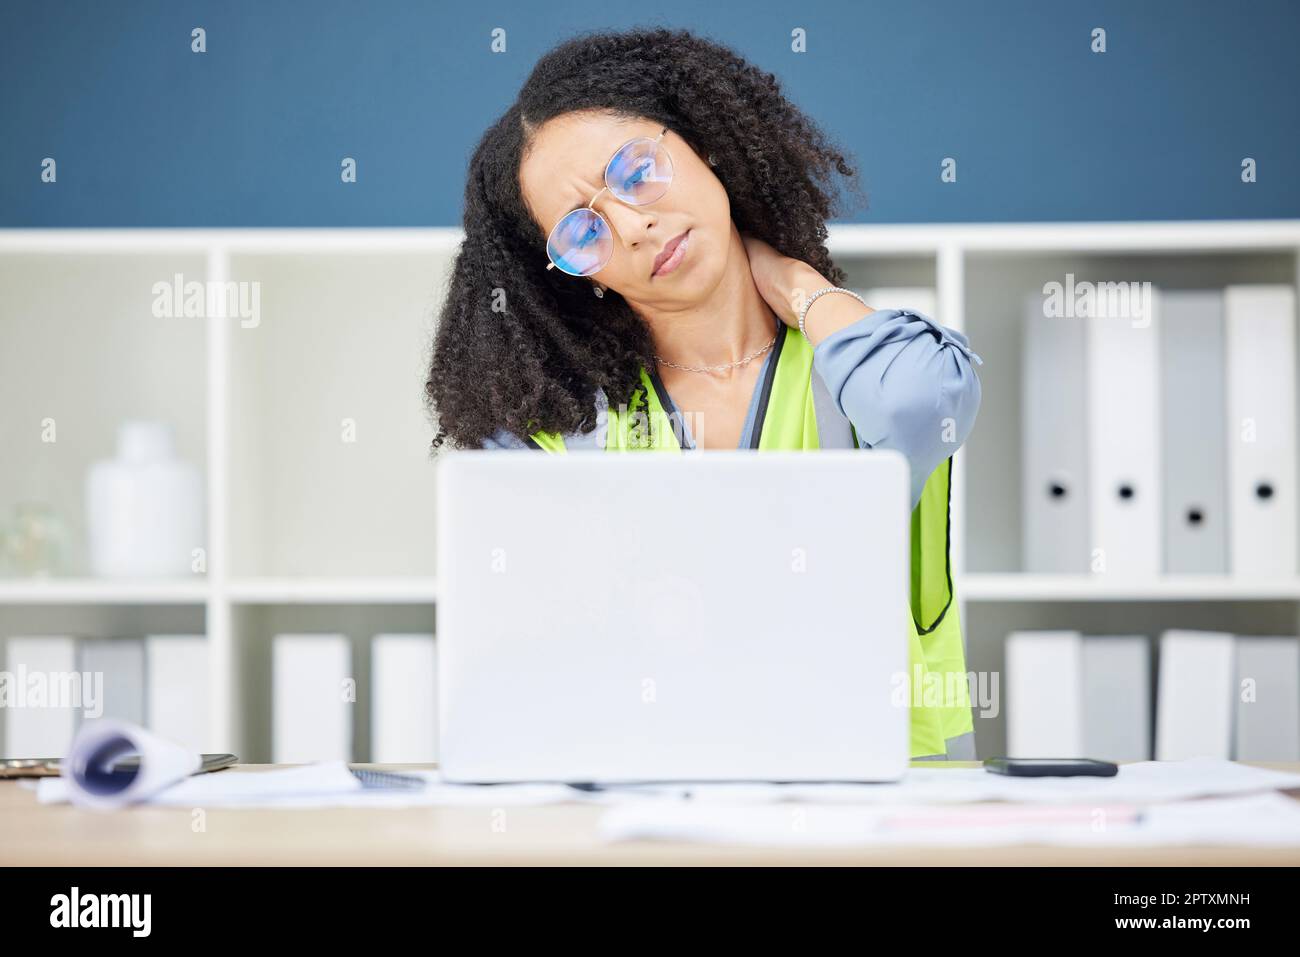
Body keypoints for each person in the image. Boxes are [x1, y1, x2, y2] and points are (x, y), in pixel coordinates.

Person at [425, 27, 984, 759]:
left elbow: (921, 405)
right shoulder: (558, 426)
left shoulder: (854, 365)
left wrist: (796, 284)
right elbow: (515, 654)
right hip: (636, 792)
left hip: (880, 800)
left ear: (704, 143)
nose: (632, 225)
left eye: (636, 170)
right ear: (582, 272)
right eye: (583, 230)